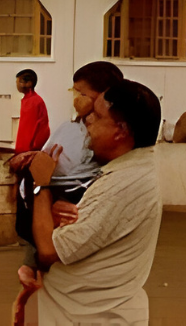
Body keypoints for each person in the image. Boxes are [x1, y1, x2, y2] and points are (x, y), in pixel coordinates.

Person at [16, 79, 163, 326]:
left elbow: (49, 251)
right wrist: (52, 212)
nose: (87, 122)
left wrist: (41, 184)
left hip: (93, 317)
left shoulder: (123, 184)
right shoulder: (119, 172)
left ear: (120, 131)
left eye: (96, 115)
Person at [13, 61, 124, 266]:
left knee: (48, 259)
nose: (76, 100)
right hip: (37, 192)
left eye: (82, 94)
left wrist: (47, 190)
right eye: (75, 92)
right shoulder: (69, 126)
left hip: (62, 196)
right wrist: (30, 158)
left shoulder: (103, 137)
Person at [13, 69, 51, 158]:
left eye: (18, 82)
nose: (17, 85)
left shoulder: (34, 102)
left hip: (28, 150)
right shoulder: (29, 100)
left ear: (28, 83)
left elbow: (29, 129)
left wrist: (27, 150)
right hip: (26, 149)